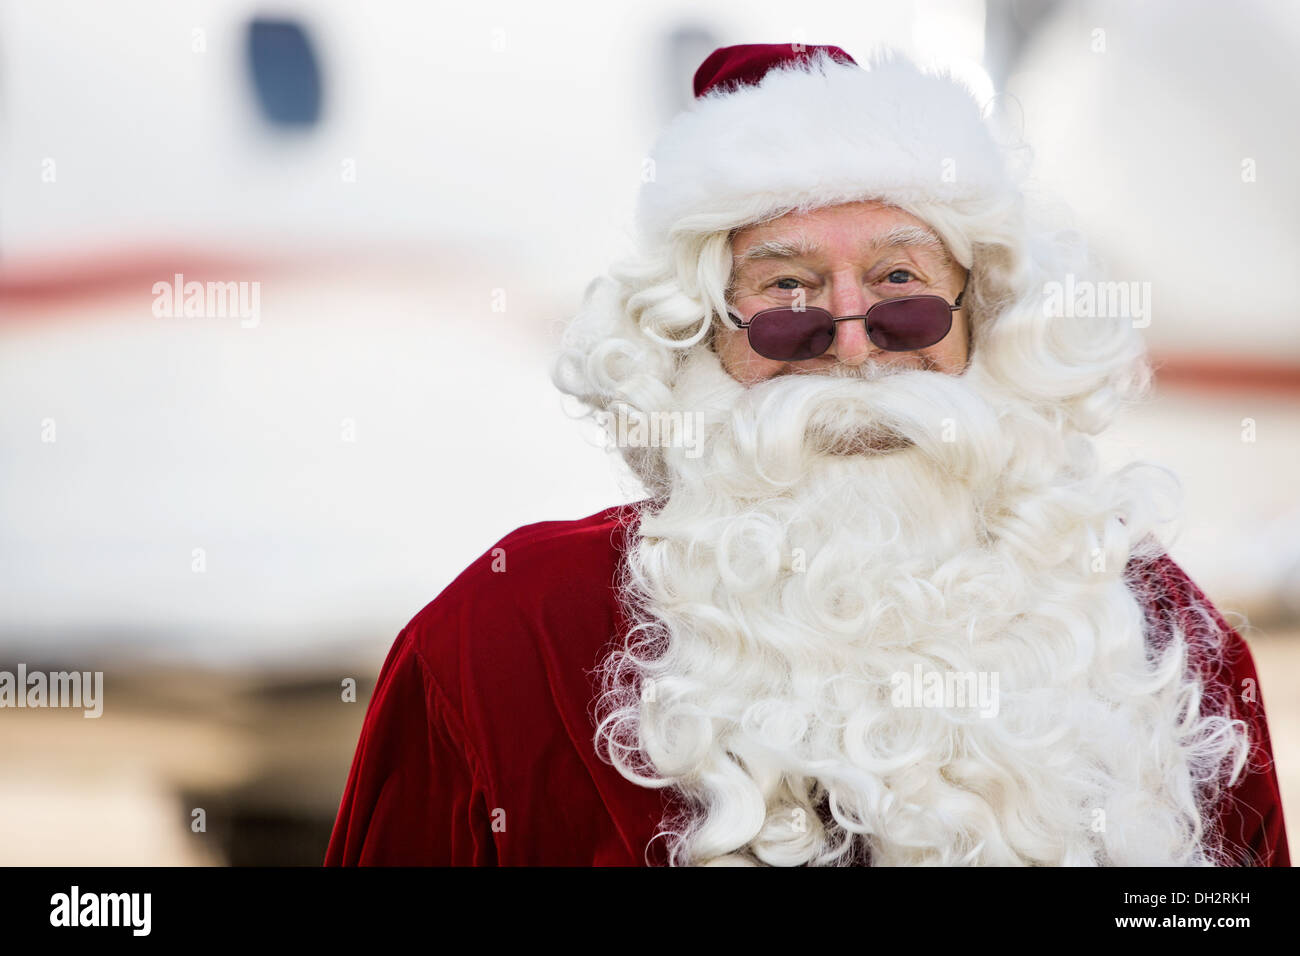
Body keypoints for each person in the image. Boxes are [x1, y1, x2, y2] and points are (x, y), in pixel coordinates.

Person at [324, 43, 1289, 866]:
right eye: (786, 296)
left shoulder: (1152, 632)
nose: (857, 346)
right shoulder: (507, 634)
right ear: (702, 339)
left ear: (980, 322)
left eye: (901, 286)